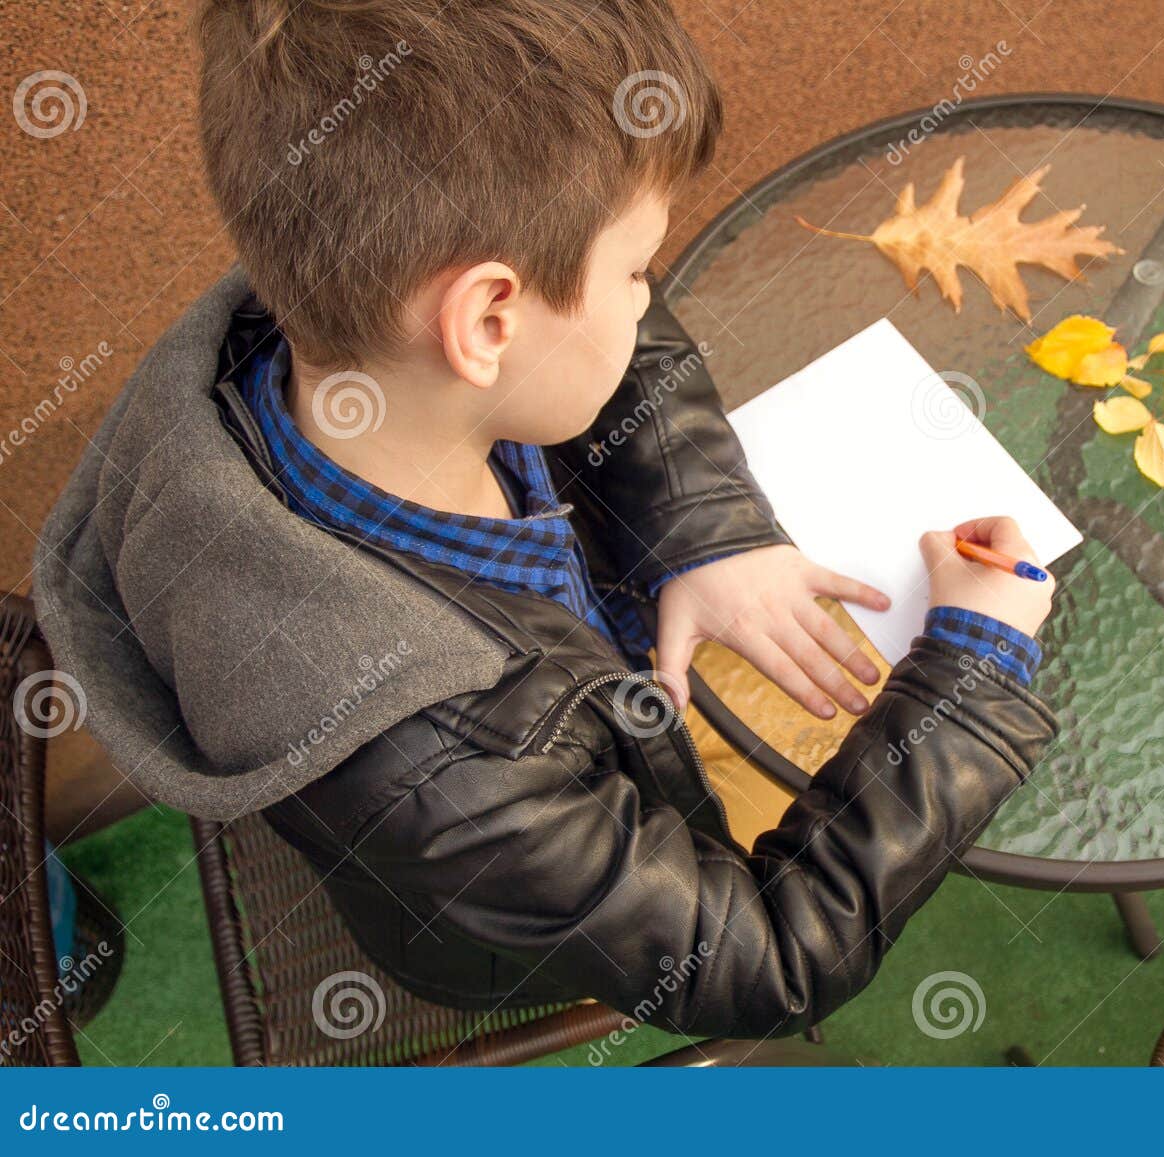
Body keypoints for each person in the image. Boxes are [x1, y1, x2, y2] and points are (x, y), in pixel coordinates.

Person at [33, 0, 1058, 1038]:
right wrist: (968, 669)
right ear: (485, 321)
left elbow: (596, 332)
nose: (644, 295)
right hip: (523, 928)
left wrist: (707, 527)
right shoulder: (460, 787)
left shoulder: (333, 305)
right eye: (631, 270)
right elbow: (774, 955)